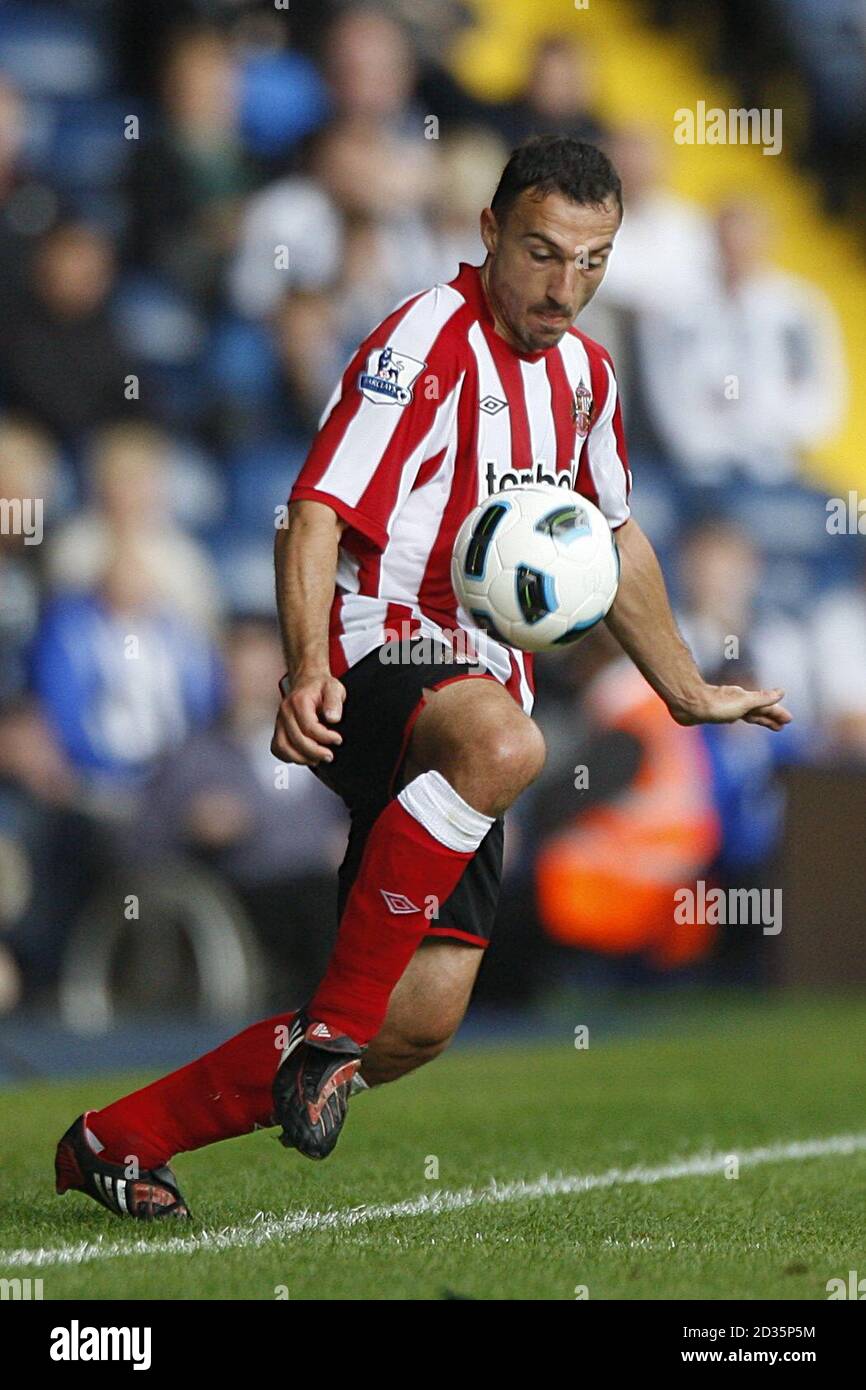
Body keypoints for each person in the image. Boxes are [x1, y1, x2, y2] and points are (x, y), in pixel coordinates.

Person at [55, 135, 791, 1222]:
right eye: (541, 252)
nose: (563, 285)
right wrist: (306, 666)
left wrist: (683, 687)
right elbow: (315, 508)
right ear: (488, 231)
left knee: (420, 1022)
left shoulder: (586, 378)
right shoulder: (421, 339)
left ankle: (115, 1138)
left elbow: (618, 538)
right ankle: (330, 1029)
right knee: (505, 747)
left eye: (590, 262)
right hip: (376, 644)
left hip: (475, 693)